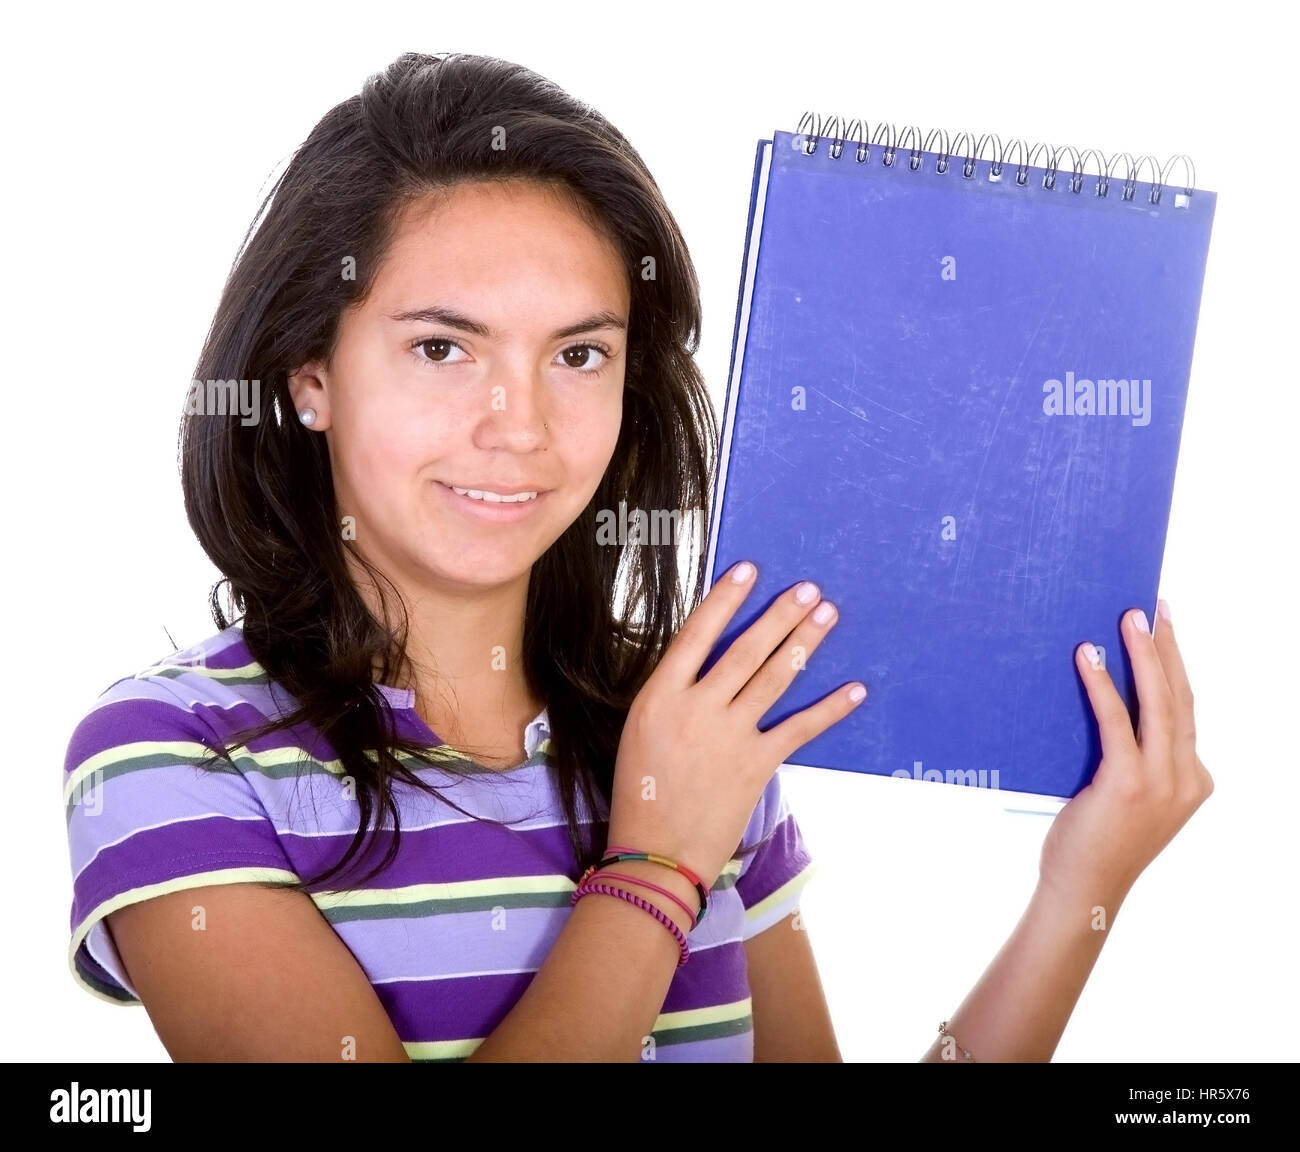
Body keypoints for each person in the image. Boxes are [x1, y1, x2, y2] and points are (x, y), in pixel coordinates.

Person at [62, 51, 1212, 1063]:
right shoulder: (173, 760)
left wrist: (1081, 892)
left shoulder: (688, 731)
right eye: (441, 347)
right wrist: (658, 863)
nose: (518, 423)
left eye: (577, 355)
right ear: (309, 374)